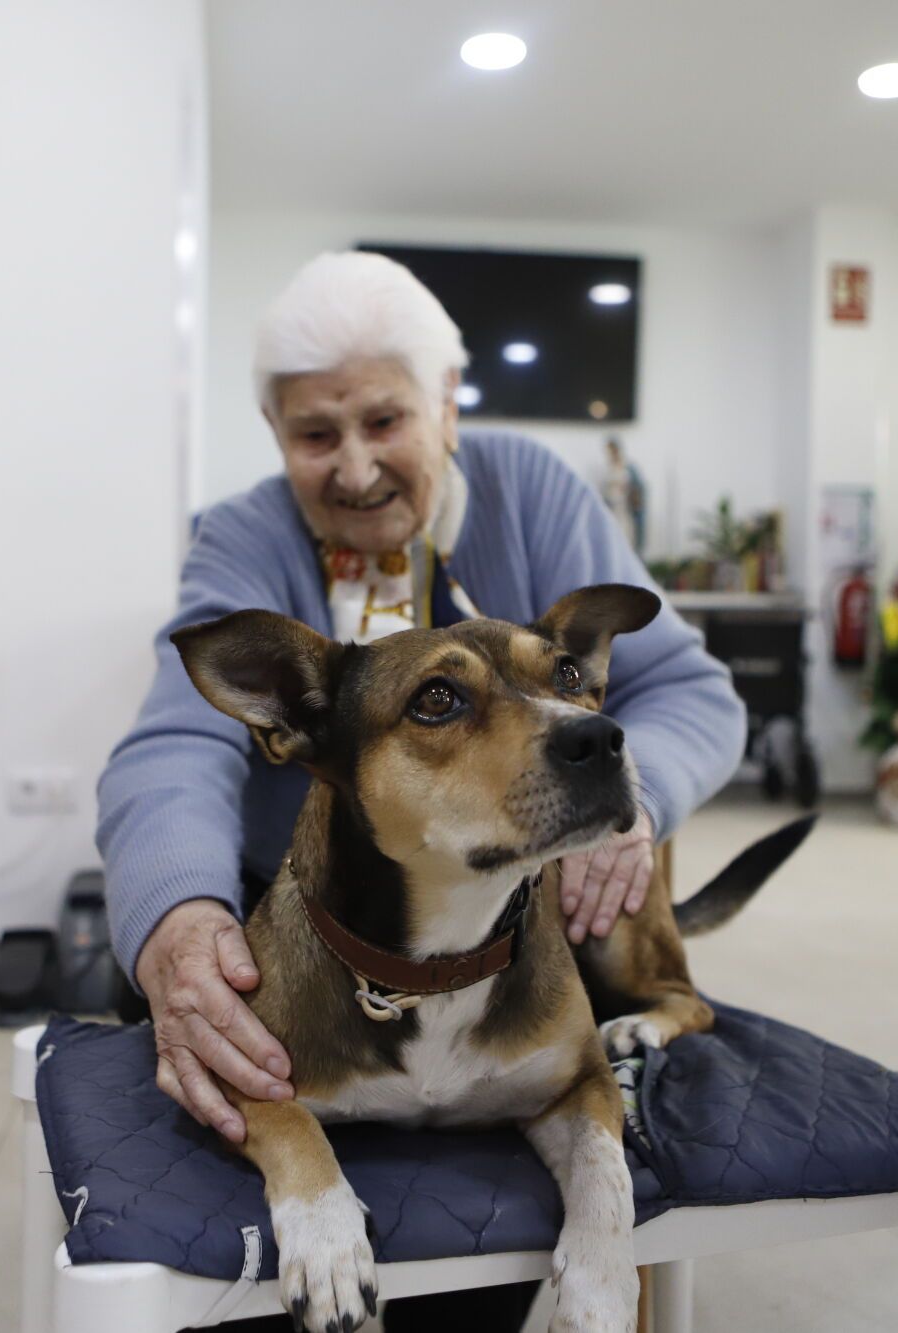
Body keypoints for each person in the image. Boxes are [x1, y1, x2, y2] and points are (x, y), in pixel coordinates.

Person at [96, 251, 744, 1326]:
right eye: (315, 435)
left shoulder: (535, 491)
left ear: (446, 405)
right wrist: (176, 917)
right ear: (276, 441)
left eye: (383, 421)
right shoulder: (246, 538)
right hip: (322, 918)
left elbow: (689, 692)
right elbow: (170, 742)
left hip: (522, 912)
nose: (352, 468)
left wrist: (628, 809)